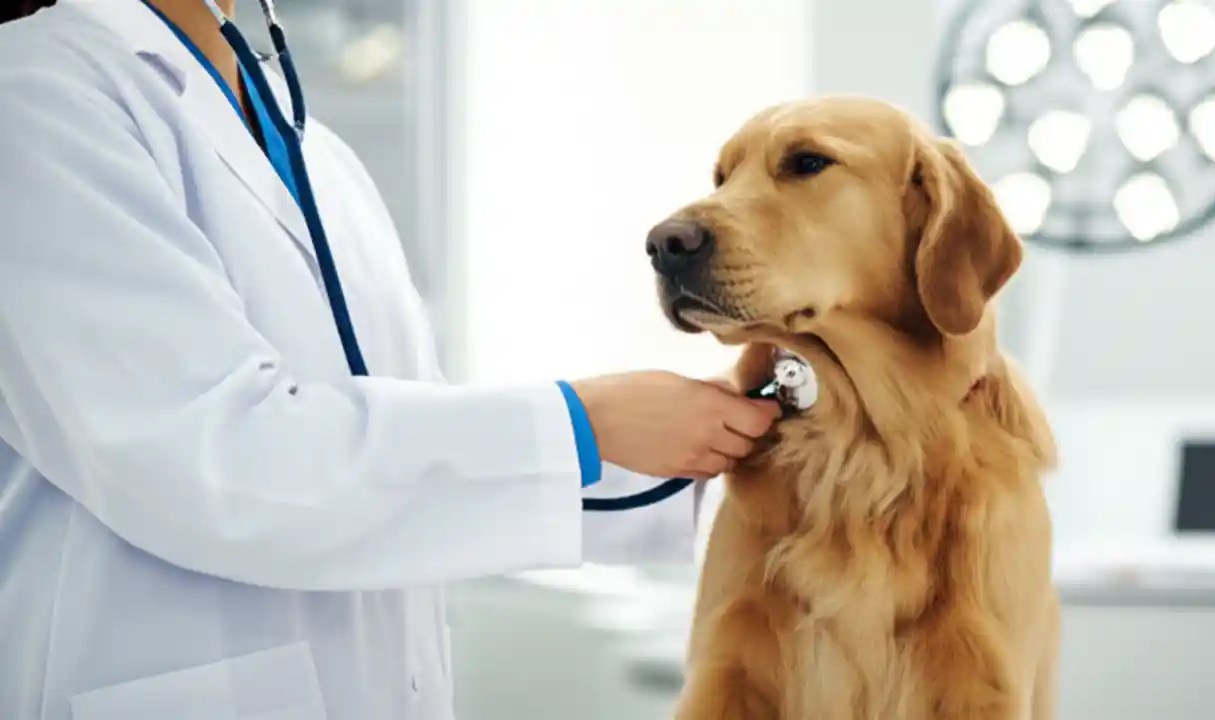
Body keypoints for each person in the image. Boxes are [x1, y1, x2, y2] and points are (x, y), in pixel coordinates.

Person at [0, 1, 780, 718]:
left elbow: (395, 464)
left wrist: (735, 440)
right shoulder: (36, 93)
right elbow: (212, 456)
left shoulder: (310, 146)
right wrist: (584, 421)